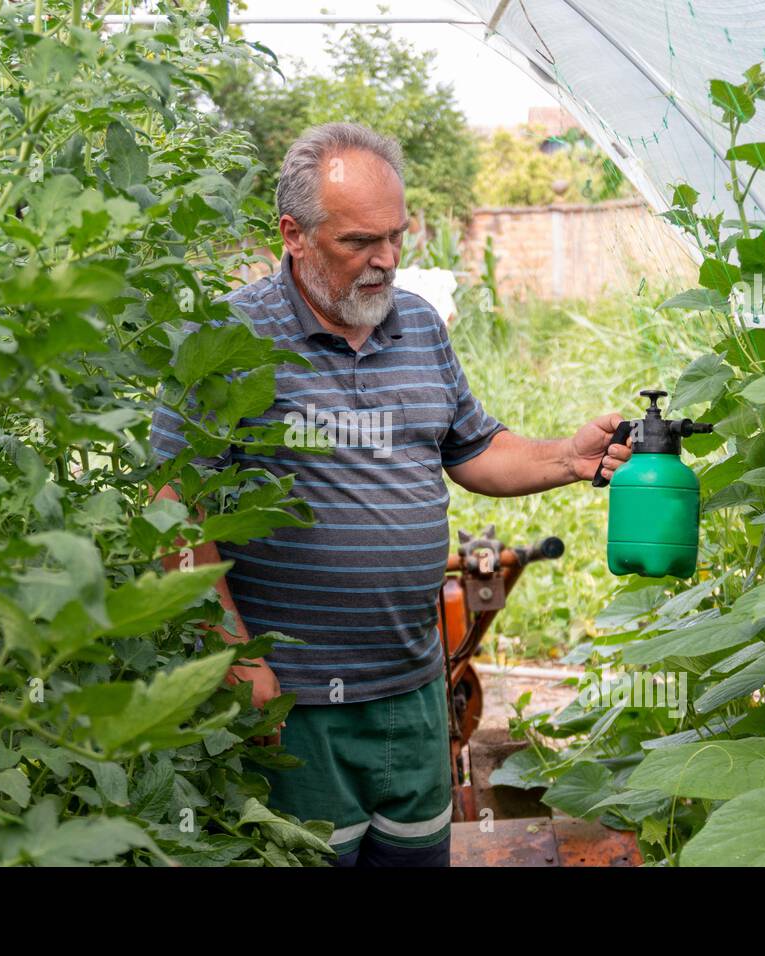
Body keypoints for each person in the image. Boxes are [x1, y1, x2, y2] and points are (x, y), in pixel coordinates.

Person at [150, 122, 632, 867]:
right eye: (358, 242)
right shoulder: (225, 339)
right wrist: (234, 656)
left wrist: (567, 457)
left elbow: (474, 449)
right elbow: (172, 508)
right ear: (293, 235)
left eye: (396, 236)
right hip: (296, 707)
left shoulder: (417, 328)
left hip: (413, 693)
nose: (385, 259)